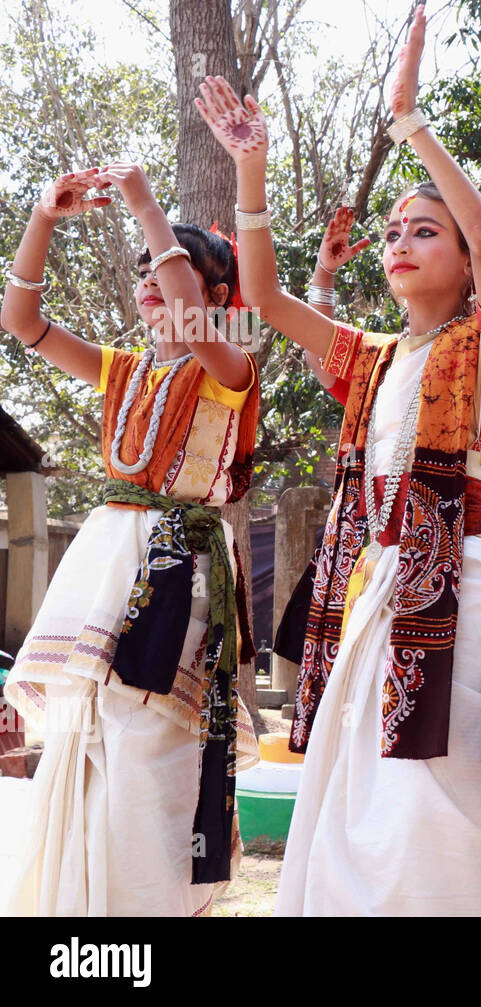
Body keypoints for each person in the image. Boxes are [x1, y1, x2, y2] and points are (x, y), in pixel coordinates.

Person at [197, 5, 481, 915]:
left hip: (470, 582)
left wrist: (409, 120)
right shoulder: (371, 357)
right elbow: (263, 297)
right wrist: (251, 171)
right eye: (396, 231)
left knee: (432, 798)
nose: (402, 243)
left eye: (425, 230)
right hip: (378, 583)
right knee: (357, 788)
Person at [0, 164, 259, 914]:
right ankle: (90, 912)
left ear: (214, 297)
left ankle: (152, 909)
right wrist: (43, 216)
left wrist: (146, 203)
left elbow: (186, 323)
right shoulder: (123, 370)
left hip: (178, 569)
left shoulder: (228, 368)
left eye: (172, 266)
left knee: (150, 744)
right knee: (92, 743)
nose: (151, 278)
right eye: (145, 267)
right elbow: (20, 321)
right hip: (108, 564)